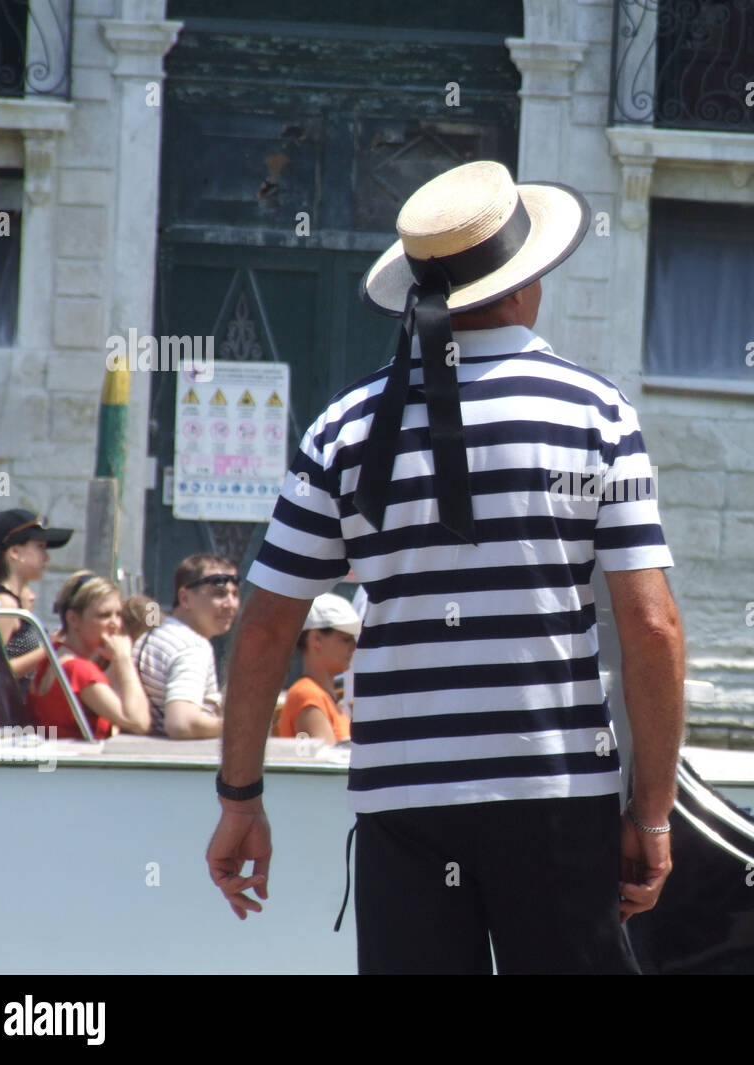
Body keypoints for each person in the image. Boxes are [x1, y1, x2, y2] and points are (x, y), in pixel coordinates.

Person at [206, 160, 685, 974]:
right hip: (555, 796)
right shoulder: (594, 414)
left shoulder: (344, 428)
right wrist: (653, 813)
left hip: (405, 804)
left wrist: (240, 798)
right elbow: (650, 625)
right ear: (526, 280)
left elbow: (262, 631)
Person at [26, 571, 152, 739]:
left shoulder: (56, 654)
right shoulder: (79, 670)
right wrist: (124, 660)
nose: (116, 624)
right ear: (73, 619)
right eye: (104, 615)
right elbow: (139, 723)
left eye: (118, 614)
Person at [0, 509, 73, 680]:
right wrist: (49, 648)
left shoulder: (15, 602)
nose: (47, 557)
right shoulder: (5, 604)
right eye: (40, 547)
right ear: (15, 552)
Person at [134, 554, 238, 739]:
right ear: (185, 598)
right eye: (219, 594)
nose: (231, 604)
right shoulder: (192, 648)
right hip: (173, 762)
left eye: (235, 594)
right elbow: (181, 723)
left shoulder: (154, 635)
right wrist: (244, 726)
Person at [276, 594, 359, 743]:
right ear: (316, 639)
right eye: (346, 639)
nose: (354, 646)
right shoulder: (307, 694)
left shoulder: (322, 697)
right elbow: (326, 763)